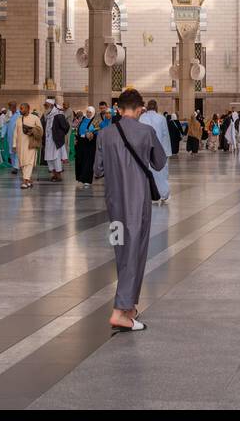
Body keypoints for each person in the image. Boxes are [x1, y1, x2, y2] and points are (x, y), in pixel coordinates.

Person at [96, 89, 166, 333]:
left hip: (114, 203)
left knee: (122, 251)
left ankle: (128, 307)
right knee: (134, 252)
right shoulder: (146, 131)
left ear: (118, 107)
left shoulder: (104, 134)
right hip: (137, 203)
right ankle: (120, 310)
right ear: (139, 109)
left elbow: (98, 169)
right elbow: (160, 161)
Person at [139, 99, 172, 203]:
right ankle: (163, 194)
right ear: (156, 107)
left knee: (147, 173)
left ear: (148, 107)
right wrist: (167, 152)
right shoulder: (161, 118)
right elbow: (165, 135)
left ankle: (150, 195)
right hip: (159, 150)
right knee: (161, 173)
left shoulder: (142, 117)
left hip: (145, 151)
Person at [12, 102, 43, 189]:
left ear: (28, 108)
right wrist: (14, 144)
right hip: (20, 145)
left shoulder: (35, 118)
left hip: (31, 144)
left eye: (22, 108)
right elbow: (15, 133)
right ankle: (28, 180)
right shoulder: (18, 119)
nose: (21, 110)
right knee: (22, 163)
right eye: (20, 108)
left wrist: (33, 131)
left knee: (29, 162)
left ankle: (25, 180)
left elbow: (41, 131)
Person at [42, 99, 69, 182]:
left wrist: (59, 135)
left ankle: (58, 175)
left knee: (56, 158)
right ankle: (54, 174)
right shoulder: (47, 115)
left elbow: (66, 127)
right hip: (48, 140)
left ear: (51, 105)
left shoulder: (58, 115)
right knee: (49, 158)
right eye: (45, 105)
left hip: (55, 141)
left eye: (46, 105)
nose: (45, 107)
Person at [74, 106, 98, 189]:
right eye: (87, 112)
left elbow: (97, 131)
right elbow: (78, 129)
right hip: (81, 142)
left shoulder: (95, 121)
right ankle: (80, 178)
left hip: (89, 143)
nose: (88, 113)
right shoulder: (83, 119)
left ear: (93, 113)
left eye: (90, 112)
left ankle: (87, 180)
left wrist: (91, 134)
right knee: (80, 160)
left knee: (88, 161)